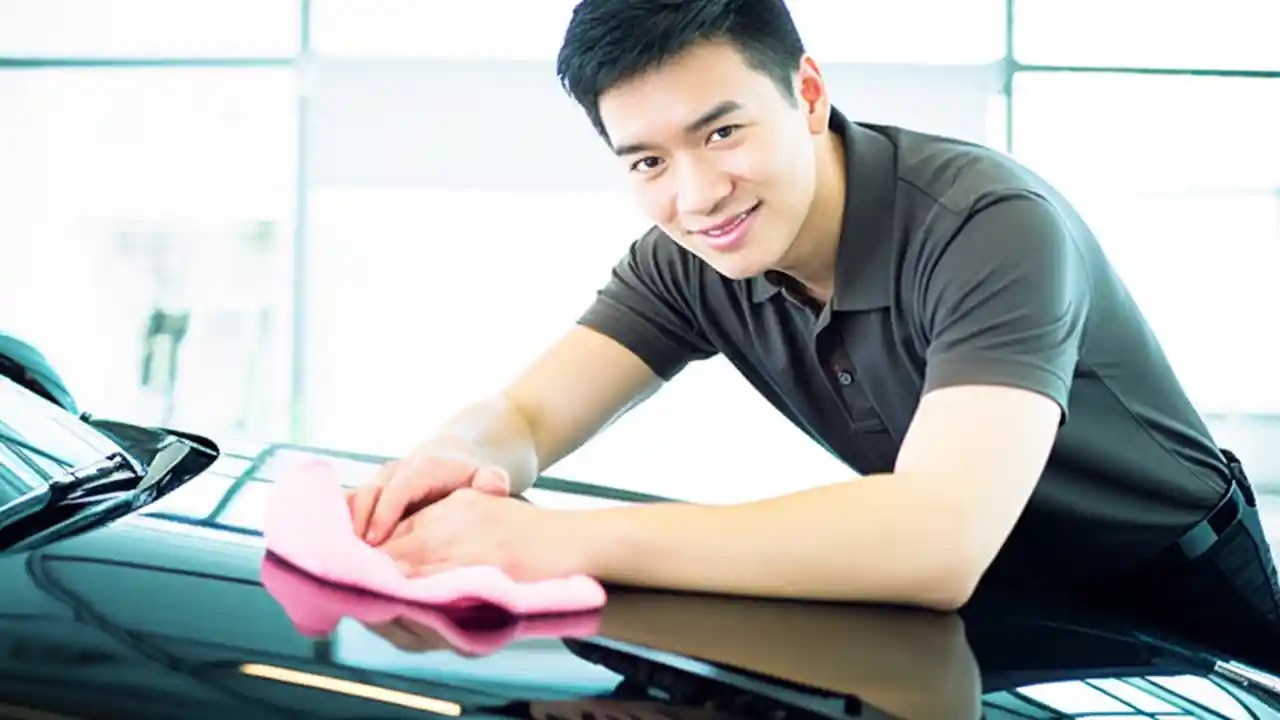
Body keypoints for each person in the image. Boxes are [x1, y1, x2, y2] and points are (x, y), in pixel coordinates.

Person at [346, 0, 1279, 665]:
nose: (697, 195)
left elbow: (934, 539)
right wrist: (457, 458)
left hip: (1174, 592)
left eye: (721, 133)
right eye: (646, 160)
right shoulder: (691, 257)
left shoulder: (990, 223)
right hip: (985, 599)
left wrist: (555, 543)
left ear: (808, 92)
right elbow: (525, 412)